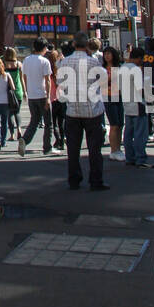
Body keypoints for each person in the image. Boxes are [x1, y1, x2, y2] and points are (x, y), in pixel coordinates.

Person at [58, 31, 108, 191]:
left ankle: (74, 180)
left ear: (73, 44)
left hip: (72, 109)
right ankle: (96, 180)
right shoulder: (92, 62)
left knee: (73, 149)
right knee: (94, 149)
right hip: (92, 109)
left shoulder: (65, 62)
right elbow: (103, 80)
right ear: (87, 45)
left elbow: (61, 82)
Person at [19, 38, 52, 156]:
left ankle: (25, 139)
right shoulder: (44, 61)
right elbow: (48, 80)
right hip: (42, 95)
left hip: (32, 95)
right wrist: (48, 97)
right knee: (48, 123)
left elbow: (24, 76)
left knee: (34, 120)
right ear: (43, 48)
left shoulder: (27, 60)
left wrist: (26, 91)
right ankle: (47, 147)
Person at [122, 46, 152, 169]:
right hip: (138, 103)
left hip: (127, 102)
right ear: (139, 58)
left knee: (128, 132)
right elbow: (140, 89)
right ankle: (141, 158)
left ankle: (130, 157)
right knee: (140, 133)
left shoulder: (122, 68)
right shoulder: (136, 70)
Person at [102, 44, 125, 161]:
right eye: (105, 54)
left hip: (119, 96)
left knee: (120, 124)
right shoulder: (102, 69)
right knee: (114, 124)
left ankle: (118, 149)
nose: (106, 56)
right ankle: (113, 150)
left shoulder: (119, 67)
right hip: (108, 97)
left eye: (108, 53)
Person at [2, 47, 24, 142]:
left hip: (8, 91)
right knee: (17, 112)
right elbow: (22, 78)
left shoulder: (3, 65)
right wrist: (25, 91)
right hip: (18, 90)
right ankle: (19, 129)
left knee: (10, 114)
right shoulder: (19, 64)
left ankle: (12, 134)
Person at [47, 44, 65, 152]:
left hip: (52, 99)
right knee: (61, 122)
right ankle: (62, 141)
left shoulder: (49, 72)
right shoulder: (62, 71)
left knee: (53, 122)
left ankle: (57, 139)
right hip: (62, 98)